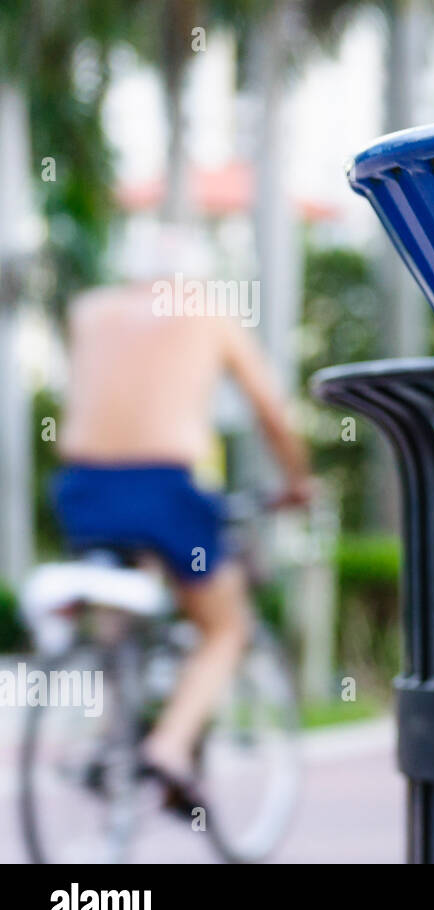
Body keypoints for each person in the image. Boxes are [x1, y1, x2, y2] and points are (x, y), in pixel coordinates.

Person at [51, 225, 312, 807]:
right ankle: (167, 748)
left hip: (82, 487)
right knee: (225, 626)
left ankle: (108, 734)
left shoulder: (91, 311)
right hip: (164, 485)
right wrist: (298, 481)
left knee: (121, 601)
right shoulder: (205, 311)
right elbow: (270, 408)